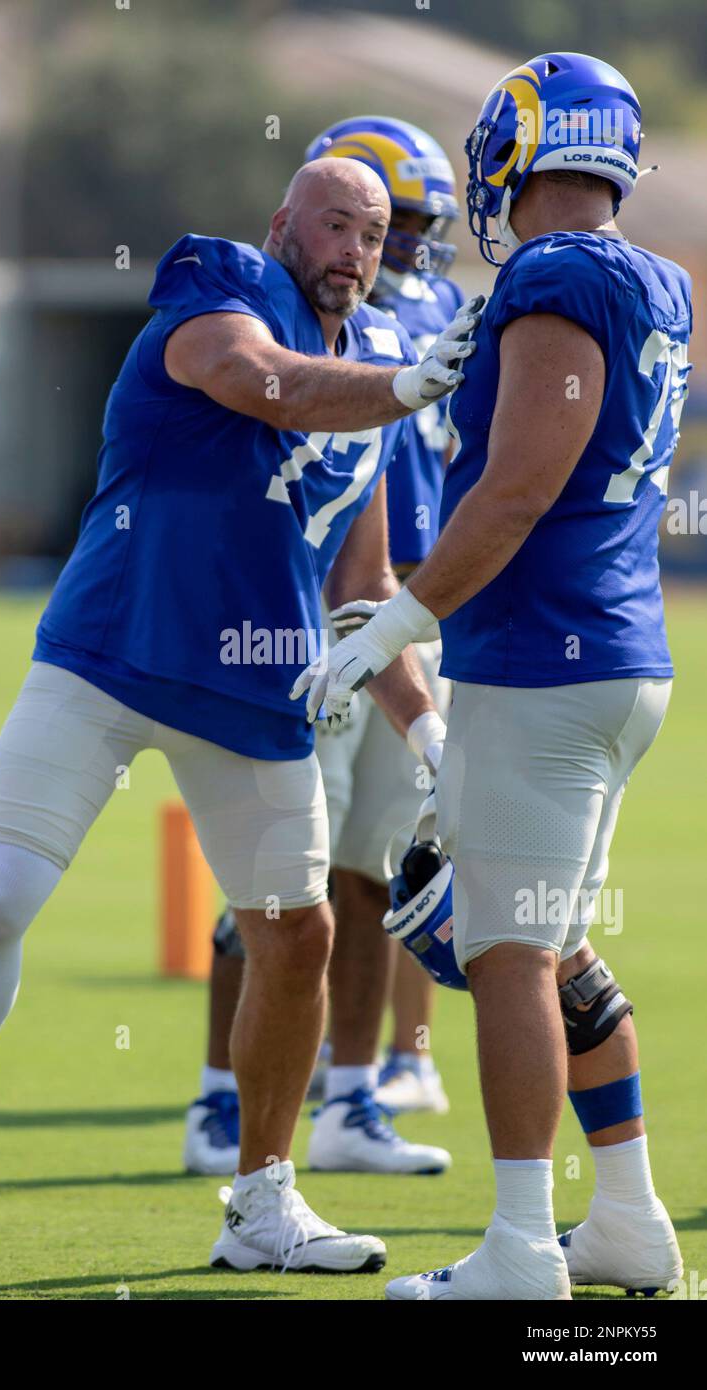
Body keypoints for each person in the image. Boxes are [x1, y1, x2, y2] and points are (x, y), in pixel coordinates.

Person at [0, 157, 481, 1275]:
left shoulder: (381, 369)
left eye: (372, 235)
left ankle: (262, 1202)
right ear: (284, 223)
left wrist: (426, 731)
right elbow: (255, 379)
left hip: (254, 691)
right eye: (333, 223)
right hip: (110, 654)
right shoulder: (223, 283)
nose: (352, 247)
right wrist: (401, 390)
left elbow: (362, 593)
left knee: (300, 935)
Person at [292, 53, 690, 1300]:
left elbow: (515, 491)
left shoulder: (556, 275)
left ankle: (520, 1250)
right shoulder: (658, 279)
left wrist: (385, 625)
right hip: (618, 652)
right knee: (557, 945)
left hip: (540, 658)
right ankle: (624, 1218)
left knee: (506, 957)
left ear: (517, 149)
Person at [184, 116, 464, 1180]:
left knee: (371, 874)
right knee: (271, 881)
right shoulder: (272, 314)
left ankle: (352, 1097)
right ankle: (217, 1101)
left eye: (406, 227)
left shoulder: (431, 314)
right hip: (295, 622)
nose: (398, 251)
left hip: (400, 613)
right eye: (372, 228)